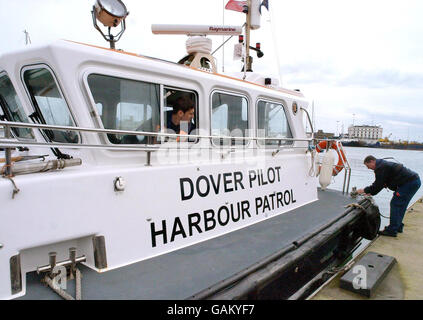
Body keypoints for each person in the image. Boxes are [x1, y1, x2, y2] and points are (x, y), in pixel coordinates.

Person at [357, 155, 421, 237]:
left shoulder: (380, 167)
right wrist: (371, 192)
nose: (368, 168)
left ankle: (392, 230)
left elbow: (378, 184)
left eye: (368, 166)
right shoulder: (383, 164)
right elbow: (382, 183)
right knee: (401, 205)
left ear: (372, 161)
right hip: (414, 181)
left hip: (408, 184)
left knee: (396, 204)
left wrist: (364, 190)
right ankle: (397, 226)